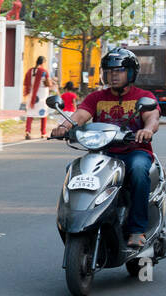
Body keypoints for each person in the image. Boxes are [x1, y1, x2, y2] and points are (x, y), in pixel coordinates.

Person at [49, 47, 160, 250]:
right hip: (103, 153)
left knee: (137, 171)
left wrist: (147, 130)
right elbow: (79, 116)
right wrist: (63, 127)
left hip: (133, 152)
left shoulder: (143, 96)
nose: (113, 75)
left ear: (131, 73)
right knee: (73, 169)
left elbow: (152, 117)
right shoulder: (96, 97)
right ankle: (72, 219)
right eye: (109, 71)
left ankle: (137, 230)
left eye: (118, 71)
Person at [23, 55, 53, 139]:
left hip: (32, 96)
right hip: (42, 95)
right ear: (43, 62)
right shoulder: (44, 72)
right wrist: (51, 83)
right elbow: (47, 83)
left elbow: (26, 83)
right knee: (43, 114)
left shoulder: (30, 71)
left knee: (30, 114)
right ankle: (43, 133)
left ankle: (27, 131)